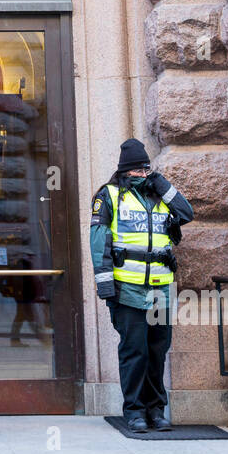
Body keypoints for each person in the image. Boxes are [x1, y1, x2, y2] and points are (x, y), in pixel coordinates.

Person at [90, 138, 194, 433]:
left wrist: (161, 184)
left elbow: (186, 213)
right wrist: (105, 285)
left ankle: (156, 410)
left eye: (146, 169)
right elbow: (99, 244)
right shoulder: (108, 196)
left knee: (157, 350)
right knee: (135, 351)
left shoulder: (159, 194)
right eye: (136, 170)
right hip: (127, 289)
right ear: (125, 171)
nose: (142, 174)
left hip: (160, 289)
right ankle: (134, 411)